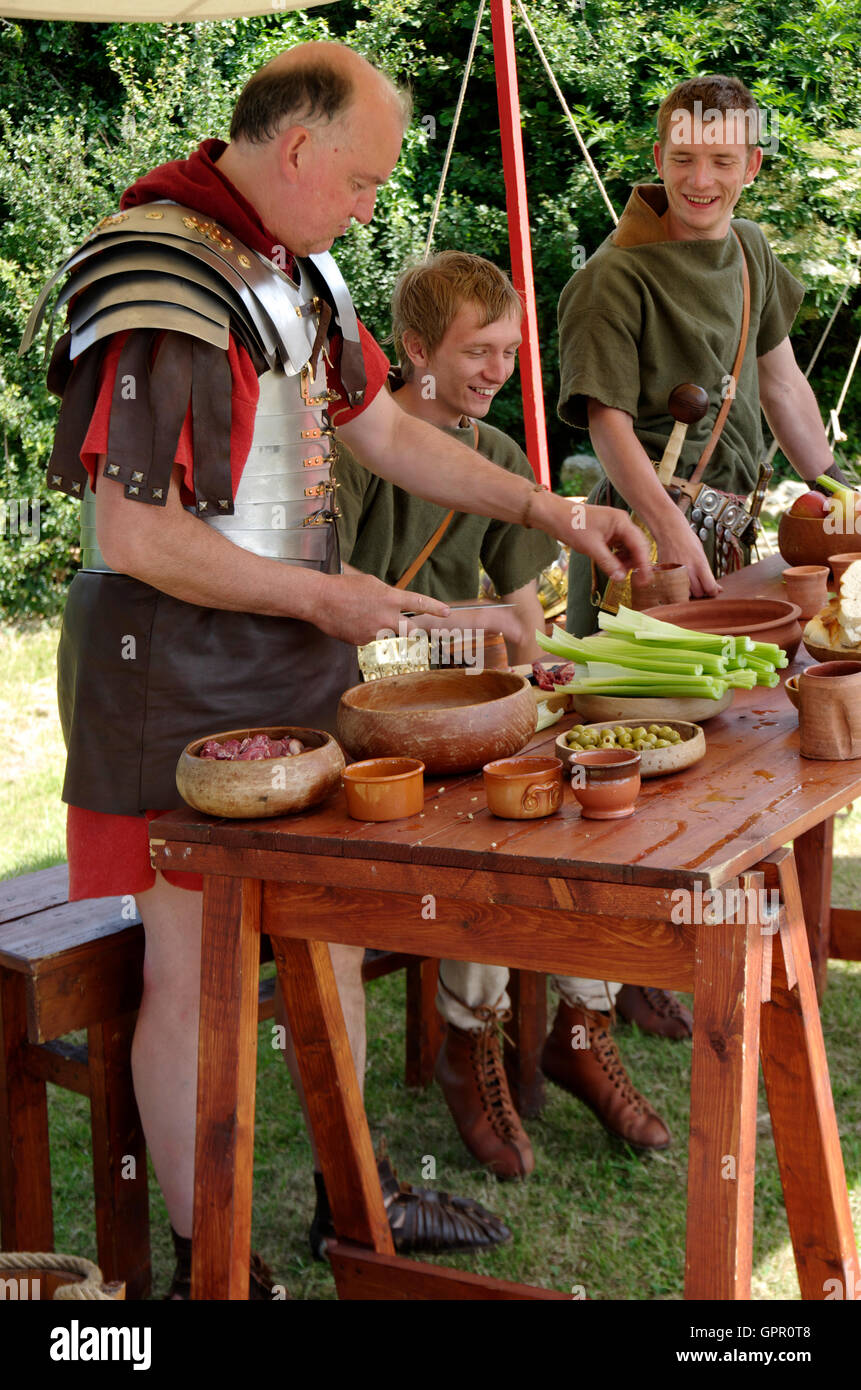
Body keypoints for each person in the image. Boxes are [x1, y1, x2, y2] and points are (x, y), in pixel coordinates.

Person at [25, 42, 649, 1297]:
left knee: (333, 935)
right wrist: (328, 593)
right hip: (172, 670)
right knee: (196, 968)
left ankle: (346, 1198)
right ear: (297, 147)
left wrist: (556, 510)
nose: (371, 207)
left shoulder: (297, 267)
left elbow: (380, 427)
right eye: (361, 181)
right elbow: (135, 533)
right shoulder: (159, 269)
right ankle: (217, 1259)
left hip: (287, 657)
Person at [336, 250, 679, 1180]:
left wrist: (531, 655)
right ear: (412, 350)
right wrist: (470, 634)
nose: (497, 369)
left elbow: (521, 617)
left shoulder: (493, 457)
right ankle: (468, 1042)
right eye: (476, 350)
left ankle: (581, 1018)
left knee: (584, 803)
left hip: (471, 706)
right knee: (488, 835)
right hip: (370, 714)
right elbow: (338, 608)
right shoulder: (351, 447)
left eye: (508, 350)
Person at [559, 73, 845, 640]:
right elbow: (606, 423)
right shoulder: (611, 278)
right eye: (684, 157)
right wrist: (669, 529)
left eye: (722, 160)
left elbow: (782, 386)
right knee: (643, 719)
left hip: (730, 533)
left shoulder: (749, 247)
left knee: (742, 709)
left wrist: (841, 495)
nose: (701, 179)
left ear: (752, 165)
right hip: (644, 540)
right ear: (659, 155)